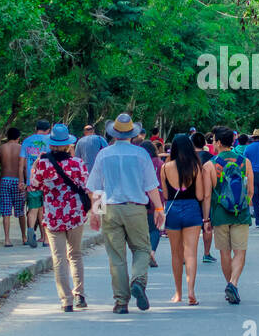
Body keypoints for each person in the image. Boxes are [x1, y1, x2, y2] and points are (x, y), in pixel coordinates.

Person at [87, 113, 165, 314]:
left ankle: (121, 302)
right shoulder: (141, 155)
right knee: (141, 249)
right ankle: (138, 279)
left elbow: (96, 188)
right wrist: (158, 209)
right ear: (133, 134)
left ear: (113, 134)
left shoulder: (104, 155)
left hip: (111, 209)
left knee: (116, 256)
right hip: (135, 208)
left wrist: (96, 213)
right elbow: (151, 186)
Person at [31, 124, 91, 311]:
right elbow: (87, 187)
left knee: (58, 258)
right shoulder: (78, 163)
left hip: (53, 217)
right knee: (75, 254)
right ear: (68, 145)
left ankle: (66, 300)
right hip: (75, 215)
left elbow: (34, 186)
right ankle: (79, 295)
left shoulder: (42, 164)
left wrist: (35, 167)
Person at [161, 134, 210, 305]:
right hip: (192, 211)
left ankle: (178, 293)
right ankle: (191, 291)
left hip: (173, 210)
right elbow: (200, 195)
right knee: (191, 253)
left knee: (176, 254)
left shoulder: (165, 167)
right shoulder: (196, 167)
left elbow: (166, 195)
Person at [206, 126, 252, 304]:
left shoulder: (210, 164)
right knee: (240, 252)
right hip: (240, 213)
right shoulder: (244, 161)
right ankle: (233, 283)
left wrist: (206, 218)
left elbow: (208, 194)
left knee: (225, 252)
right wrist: (243, 205)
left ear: (218, 142)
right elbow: (251, 189)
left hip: (220, 213)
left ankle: (229, 285)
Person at [0, 126, 25, 247]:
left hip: (4, 181)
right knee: (20, 211)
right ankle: (24, 237)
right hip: (18, 181)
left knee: (6, 212)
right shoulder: (21, 148)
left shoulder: (1, 149)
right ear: (18, 138)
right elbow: (24, 167)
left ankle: (6, 239)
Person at [21, 121, 52, 248]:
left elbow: (21, 162)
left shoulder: (27, 141)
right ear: (48, 130)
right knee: (44, 210)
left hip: (32, 179)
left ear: (36, 128)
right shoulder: (50, 140)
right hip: (47, 180)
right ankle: (45, 239)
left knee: (33, 208)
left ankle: (30, 230)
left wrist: (22, 180)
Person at [192, 132, 217, 264]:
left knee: (192, 227)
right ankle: (206, 253)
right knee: (207, 224)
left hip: (191, 196)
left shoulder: (188, 158)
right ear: (204, 144)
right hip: (208, 195)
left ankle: (188, 254)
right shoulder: (211, 158)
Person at [140, 138, 164, 267]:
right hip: (156, 199)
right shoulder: (160, 163)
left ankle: (143, 253)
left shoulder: (139, 162)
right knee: (155, 229)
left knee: (143, 230)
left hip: (140, 199)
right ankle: (152, 252)